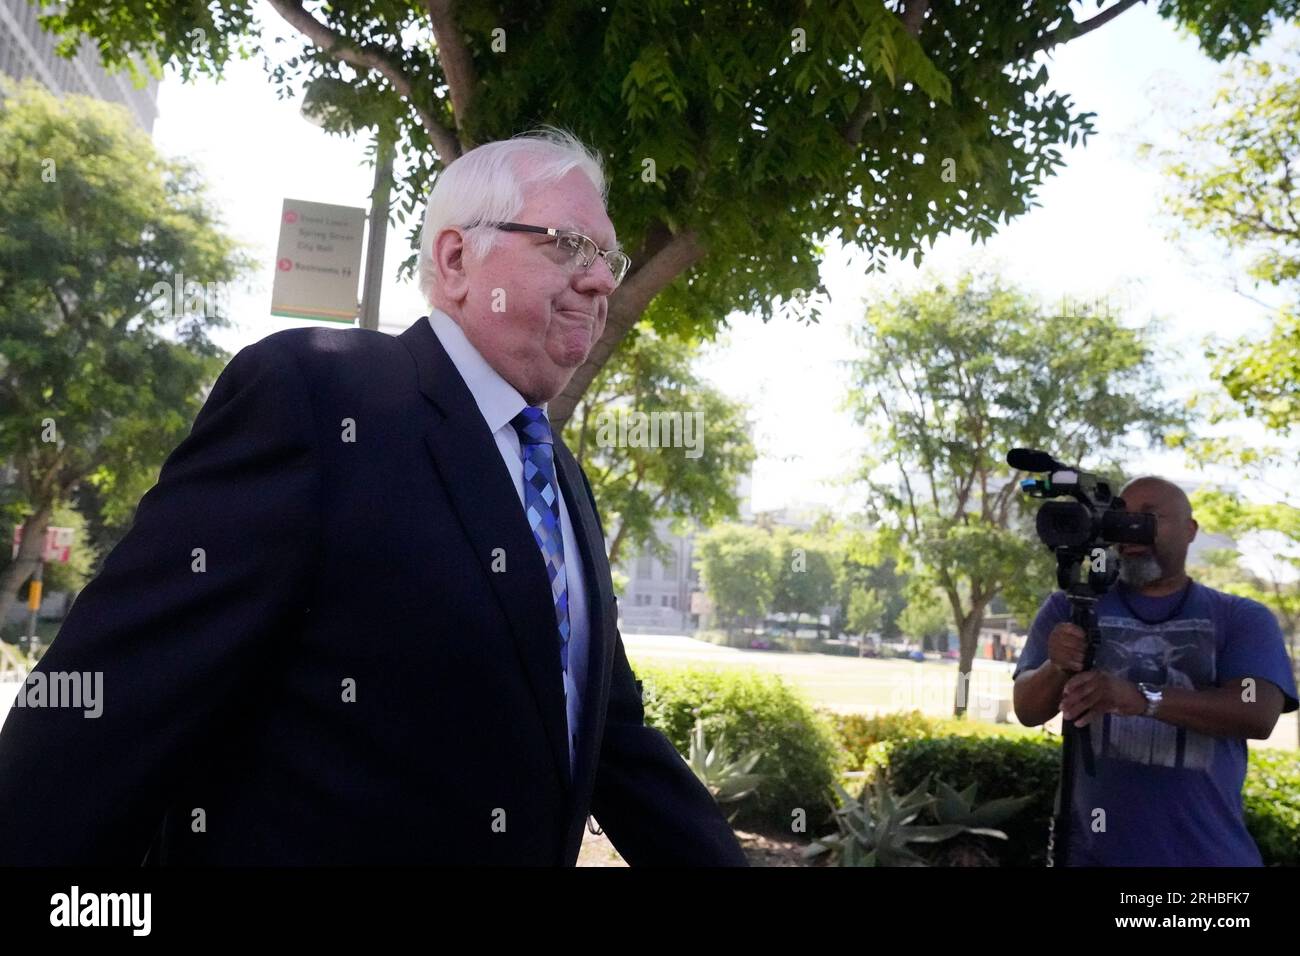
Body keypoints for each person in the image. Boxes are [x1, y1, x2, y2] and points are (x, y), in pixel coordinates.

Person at [0, 129, 749, 866]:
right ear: (458, 259)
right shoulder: (317, 395)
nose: (601, 280)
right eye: (567, 246)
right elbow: (110, 706)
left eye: (609, 259)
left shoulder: (560, 477)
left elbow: (611, 740)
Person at [1013, 475, 1298, 866]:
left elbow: (1256, 710)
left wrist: (1141, 698)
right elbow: (1028, 710)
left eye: (1149, 517)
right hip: (1090, 855)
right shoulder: (1070, 608)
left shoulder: (1240, 618)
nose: (1130, 529)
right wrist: (1054, 666)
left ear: (1190, 530)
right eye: (1121, 517)